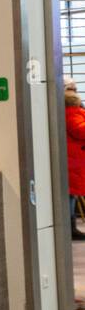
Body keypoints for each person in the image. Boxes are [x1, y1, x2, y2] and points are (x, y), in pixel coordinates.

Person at [66, 89, 85, 240]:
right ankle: (70, 227)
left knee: (71, 193)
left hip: (74, 159)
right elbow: (80, 131)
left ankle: (70, 226)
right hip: (74, 160)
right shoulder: (72, 113)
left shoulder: (72, 113)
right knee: (70, 193)